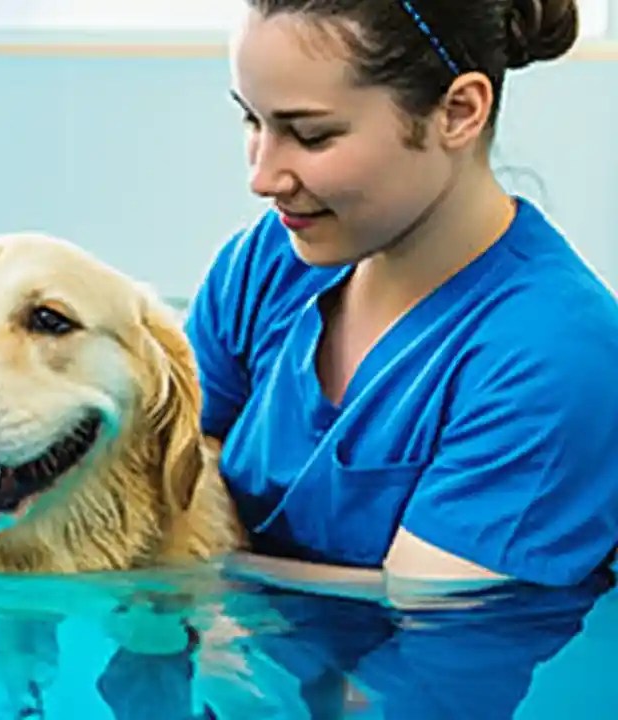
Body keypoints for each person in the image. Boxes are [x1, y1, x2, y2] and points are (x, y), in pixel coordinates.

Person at [186, 0, 618, 601]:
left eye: (311, 135)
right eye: (252, 122)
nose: (262, 176)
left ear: (458, 112)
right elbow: (163, 457)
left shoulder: (554, 355)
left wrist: (197, 576)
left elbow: (428, 624)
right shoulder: (267, 263)